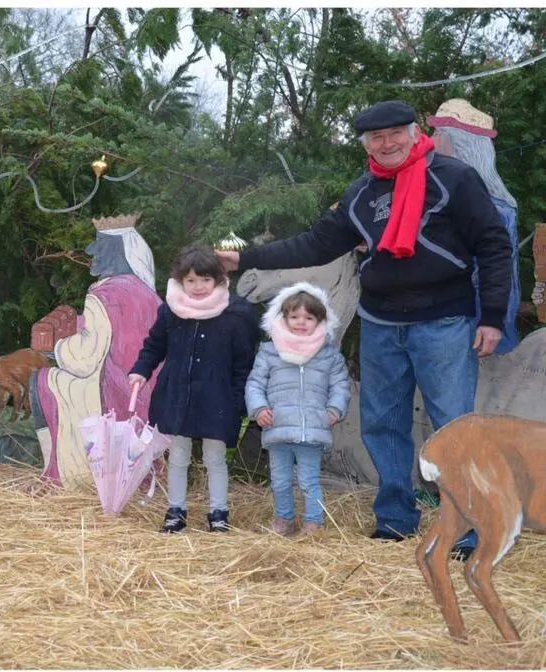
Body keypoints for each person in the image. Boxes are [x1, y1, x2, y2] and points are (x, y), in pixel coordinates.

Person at [215, 100, 512, 555]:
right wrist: (246, 258)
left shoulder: (453, 178)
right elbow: (314, 244)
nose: (387, 143)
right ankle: (395, 519)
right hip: (380, 324)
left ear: (415, 133)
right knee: (382, 423)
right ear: (365, 144)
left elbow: (493, 245)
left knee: (454, 427)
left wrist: (492, 315)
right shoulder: (361, 195)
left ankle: (469, 528)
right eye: (376, 137)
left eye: (396, 133)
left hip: (444, 322)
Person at [128, 244, 260, 533]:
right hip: (177, 395)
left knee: (215, 458)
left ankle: (219, 513)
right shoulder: (171, 311)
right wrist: (140, 370)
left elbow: (244, 364)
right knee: (177, 456)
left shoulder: (236, 315)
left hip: (217, 398)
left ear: (219, 280)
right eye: (190, 280)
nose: (198, 287)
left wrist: (239, 402)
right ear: (180, 281)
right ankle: (176, 511)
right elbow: (154, 346)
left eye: (205, 280)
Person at [29, 213, 163, 490]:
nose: (92, 254)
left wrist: (57, 347)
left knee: (42, 382)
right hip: (150, 394)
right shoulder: (148, 293)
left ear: (116, 253)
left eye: (99, 248)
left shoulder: (104, 294)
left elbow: (85, 359)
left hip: (114, 393)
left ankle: (59, 476)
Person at [245, 282, 351, 537]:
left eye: (309, 317)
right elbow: (255, 384)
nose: (301, 322)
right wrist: (259, 408)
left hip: (312, 431)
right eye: (294, 316)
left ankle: (313, 523)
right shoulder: (269, 352)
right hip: (277, 427)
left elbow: (340, 385)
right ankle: (284, 520)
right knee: (280, 481)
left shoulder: (329, 355)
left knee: (308, 481)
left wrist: (335, 409)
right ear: (283, 318)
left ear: (321, 320)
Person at [428, 98, 521, 355]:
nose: (430, 140)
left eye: (437, 133)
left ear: (460, 142)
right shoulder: (442, 194)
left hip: (475, 328)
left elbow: (493, 275)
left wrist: (489, 323)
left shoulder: (495, 208)